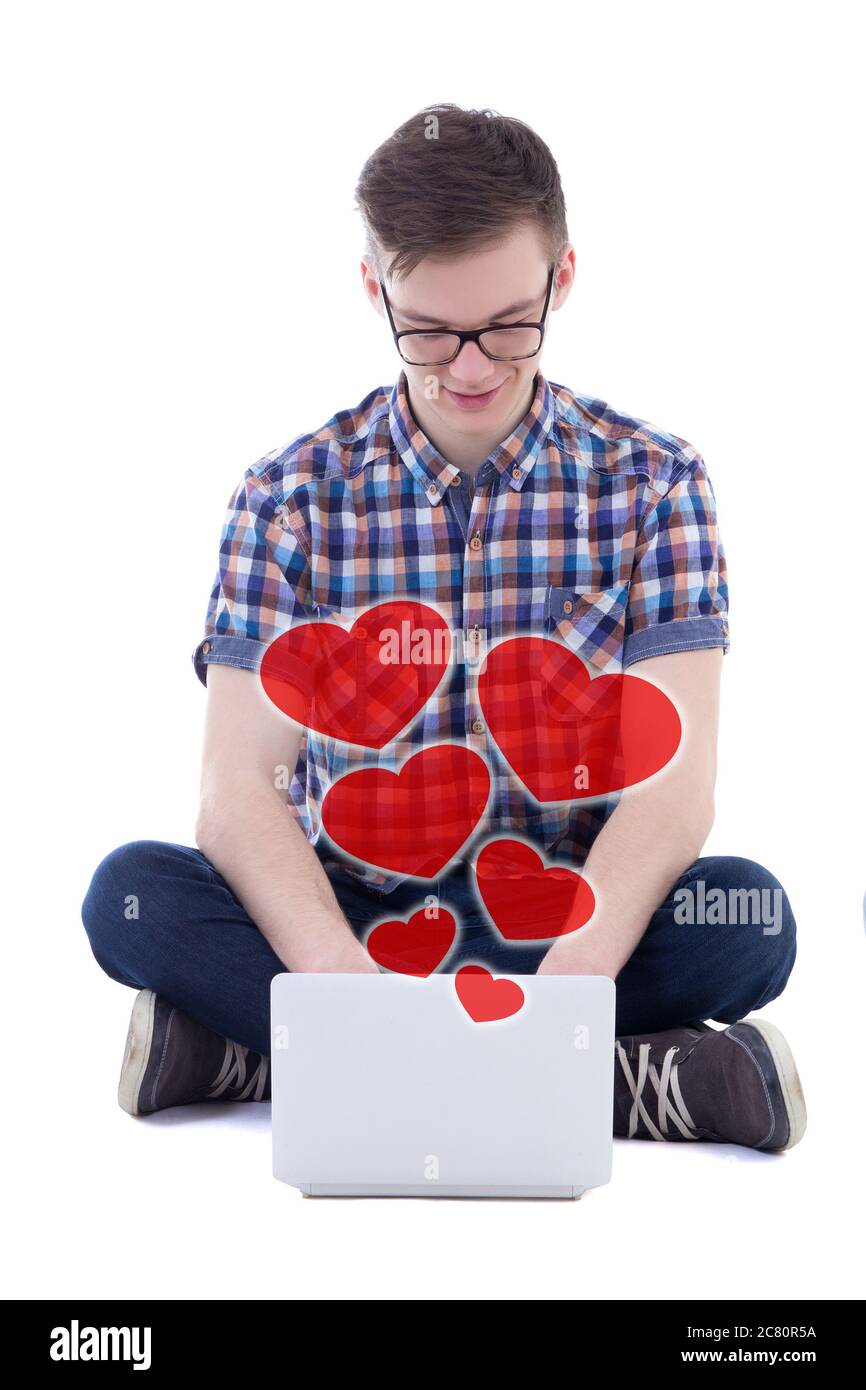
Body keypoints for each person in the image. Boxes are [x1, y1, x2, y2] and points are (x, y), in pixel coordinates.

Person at [81, 104, 805, 1150]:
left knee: (749, 920)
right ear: (373, 288)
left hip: (562, 924)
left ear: (561, 279)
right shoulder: (285, 498)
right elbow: (236, 791)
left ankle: (257, 1054)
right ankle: (623, 1081)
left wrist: (563, 987)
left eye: (508, 325)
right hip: (342, 919)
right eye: (427, 329)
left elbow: (672, 788)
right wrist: (339, 981)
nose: (468, 368)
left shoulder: (656, 484)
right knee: (131, 896)